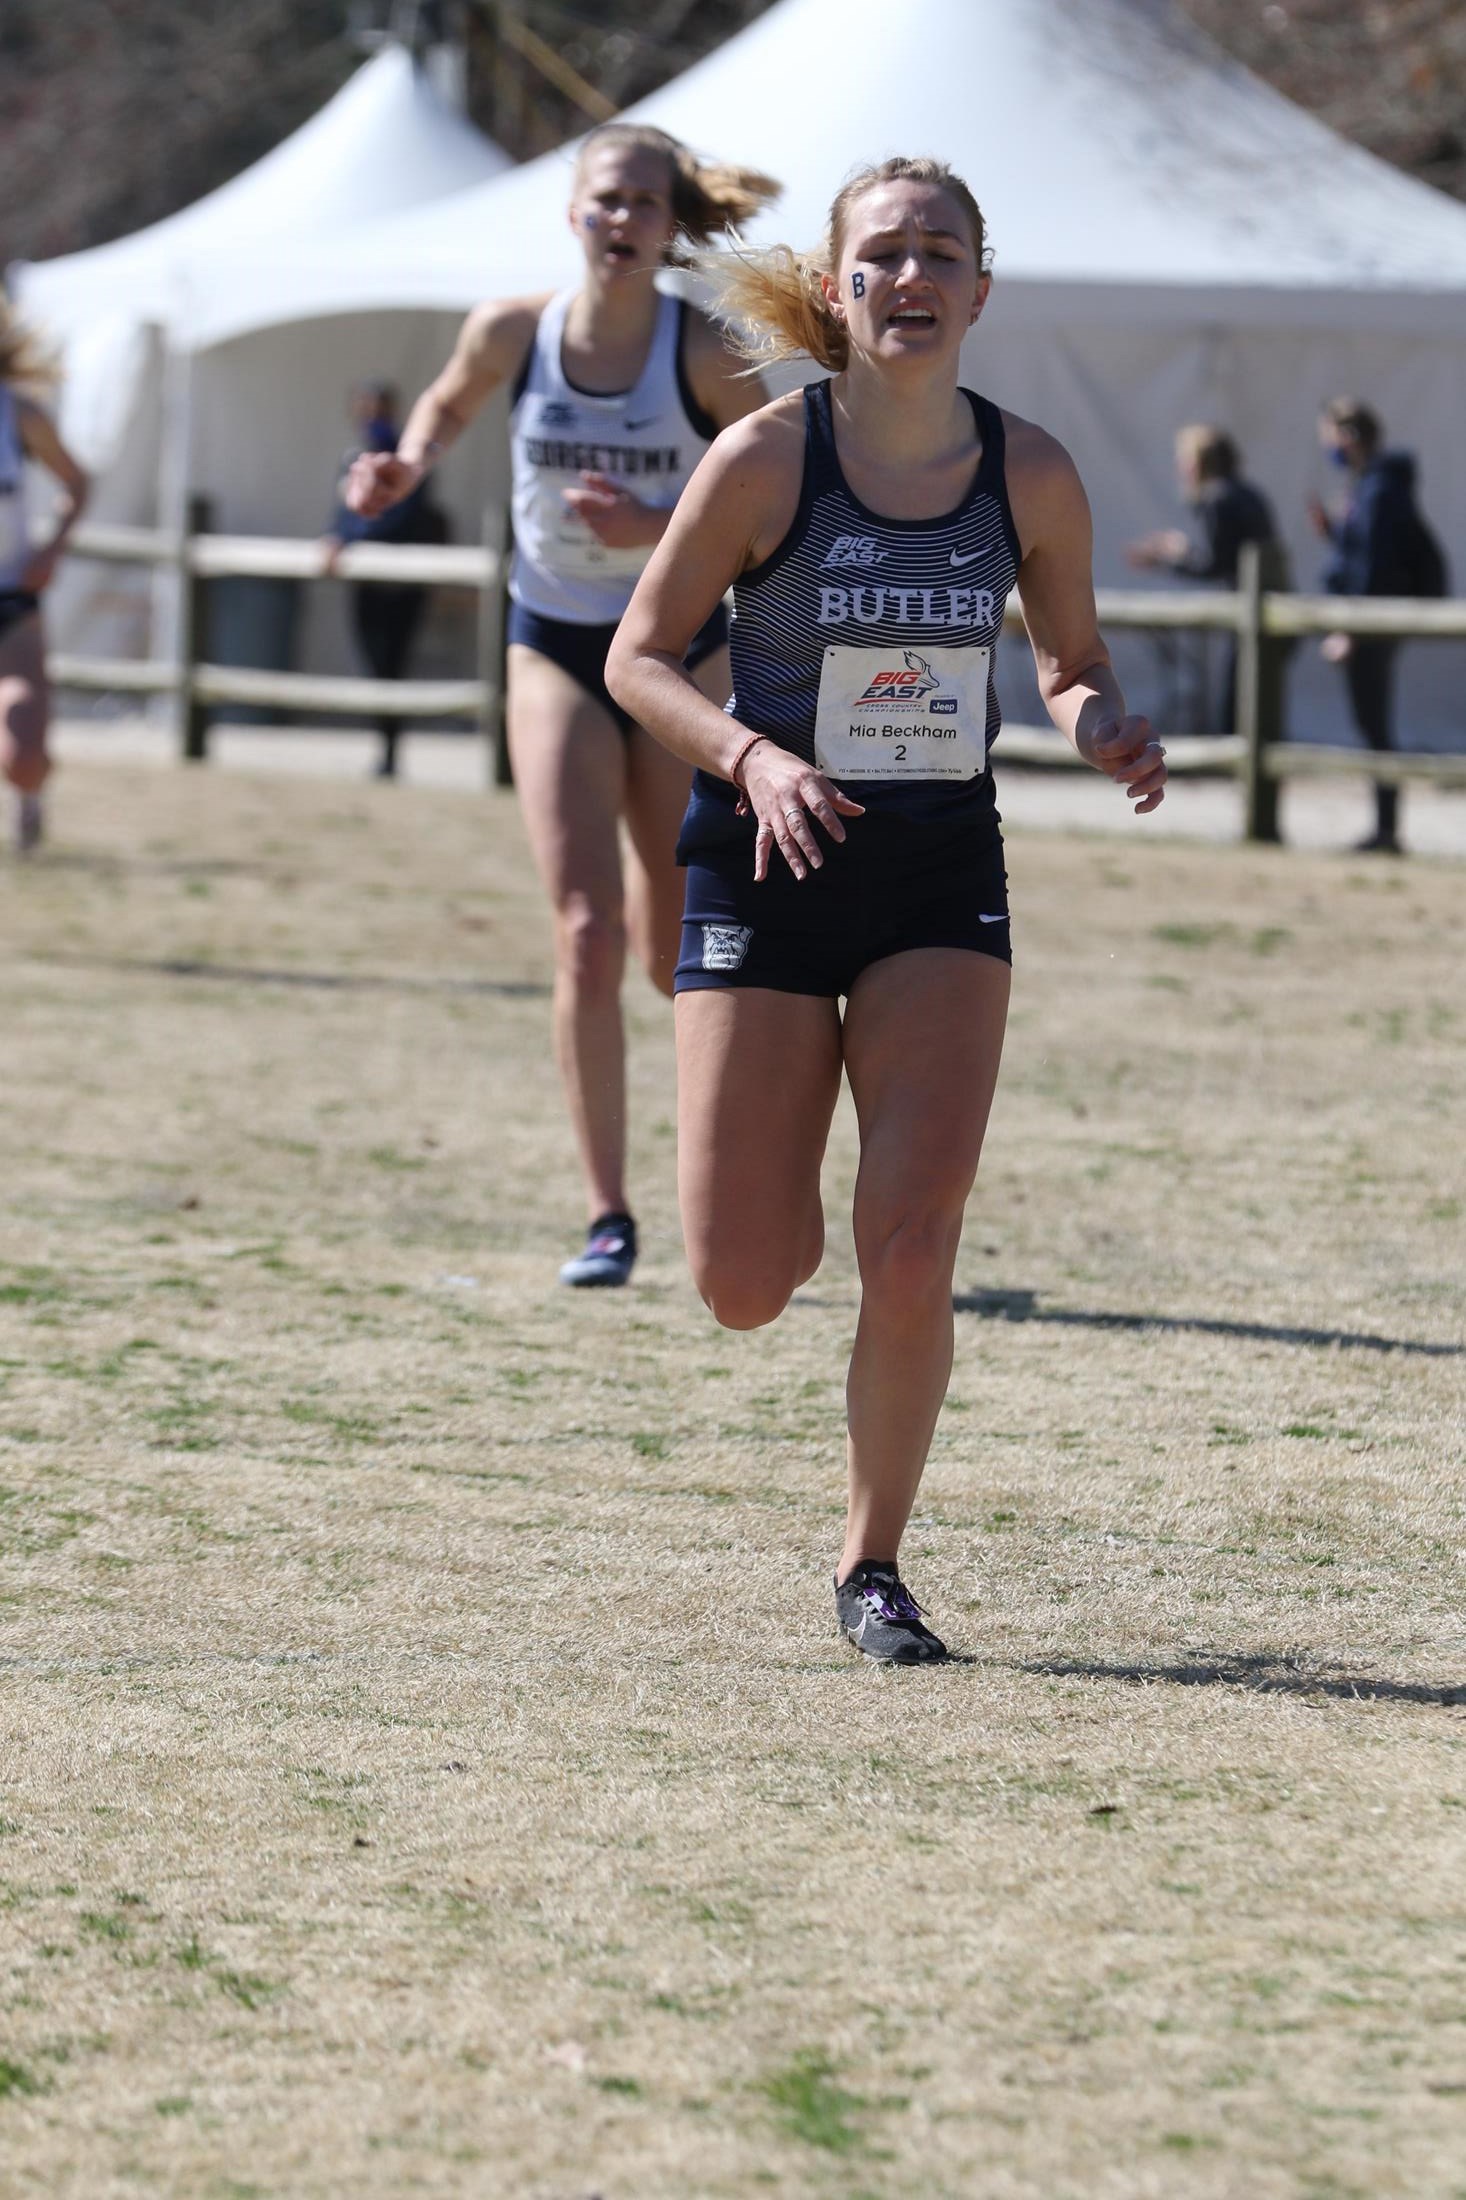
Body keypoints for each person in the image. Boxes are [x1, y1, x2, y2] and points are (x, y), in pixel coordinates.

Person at [606, 155, 1167, 1666]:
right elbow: (639, 659)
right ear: (837, 291)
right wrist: (749, 755)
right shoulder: (767, 462)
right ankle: (759, 1239)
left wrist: (1100, 717)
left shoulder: (1028, 473)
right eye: (880, 256)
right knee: (740, 1280)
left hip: (933, 870)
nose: (908, 278)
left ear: (980, 288)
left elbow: (1066, 660)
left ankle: (872, 1569)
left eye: (937, 254)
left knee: (911, 1240)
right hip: (764, 863)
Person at [345, 124, 778, 1286]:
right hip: (548, 645)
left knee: (666, 943)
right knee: (583, 930)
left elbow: (785, 491)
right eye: (605, 201)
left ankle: (726, 1172)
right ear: (571, 213)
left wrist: (663, 530)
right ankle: (606, 1214)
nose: (623, 220)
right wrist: (404, 465)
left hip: (678, 655)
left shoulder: (704, 356)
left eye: (645, 203)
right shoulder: (511, 330)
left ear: (669, 223)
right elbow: (446, 402)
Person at [1309, 397, 1443, 854]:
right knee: (1371, 723)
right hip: (1366, 616)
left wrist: (1353, 628)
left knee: (1375, 723)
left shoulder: (1379, 489)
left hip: (1370, 619)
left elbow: (1376, 564)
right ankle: (1384, 826)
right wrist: (1333, 531)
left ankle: (1386, 828)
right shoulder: (1368, 484)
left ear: (1348, 437)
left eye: (1330, 436)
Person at [0, 301, 89, 853]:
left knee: (25, 760)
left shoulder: (19, 415)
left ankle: (29, 795)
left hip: (10, 594)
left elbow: (77, 483)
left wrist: (51, 550)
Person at [1128, 423, 1284, 733]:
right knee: (1258, 700)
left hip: (1254, 610)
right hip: (1273, 603)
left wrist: (1172, 557)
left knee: (1239, 707)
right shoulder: (1246, 492)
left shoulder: (1218, 499)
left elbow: (1215, 565)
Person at [323, 381, 441, 781]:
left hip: (401, 578)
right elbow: (344, 509)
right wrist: (338, 537)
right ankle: (382, 746)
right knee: (372, 659)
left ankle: (391, 750)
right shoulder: (354, 456)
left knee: (394, 659)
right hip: (366, 576)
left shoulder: (406, 459)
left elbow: (400, 515)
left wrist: (356, 537)